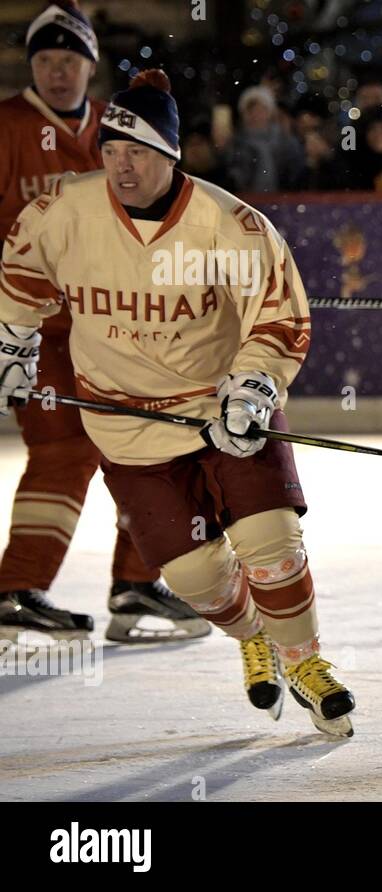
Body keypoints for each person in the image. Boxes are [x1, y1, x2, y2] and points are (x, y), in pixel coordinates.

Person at [0, 70, 356, 736]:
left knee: (270, 543)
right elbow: (20, 273)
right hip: (125, 424)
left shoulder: (228, 223)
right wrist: (11, 343)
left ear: (170, 154)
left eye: (137, 151)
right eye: (109, 150)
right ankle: (255, 636)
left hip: (225, 411)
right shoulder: (64, 210)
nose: (120, 165)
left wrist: (253, 385)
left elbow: (279, 318)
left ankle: (306, 664)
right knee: (200, 582)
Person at [0, 1, 206, 643]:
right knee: (63, 450)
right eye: (45, 60)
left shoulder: (118, 128)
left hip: (114, 328)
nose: (57, 72)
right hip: (35, 332)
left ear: (90, 67)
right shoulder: (5, 126)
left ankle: (137, 583)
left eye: (70, 60)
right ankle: (17, 592)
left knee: (151, 449)